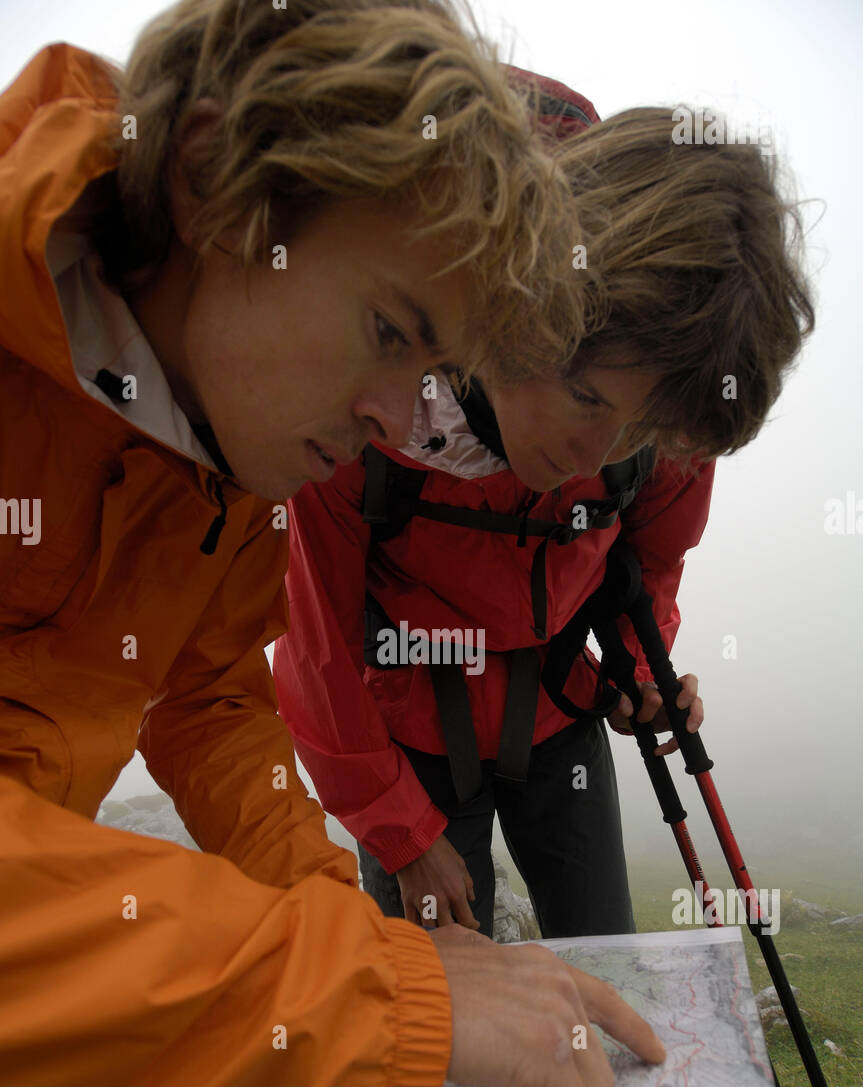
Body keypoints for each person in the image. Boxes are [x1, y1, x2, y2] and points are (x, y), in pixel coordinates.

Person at [0, 0, 665, 1087]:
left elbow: (204, 706)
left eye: (427, 369)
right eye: (387, 330)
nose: (392, 418)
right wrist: (386, 997)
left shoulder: (205, 442)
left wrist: (346, 925)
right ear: (212, 180)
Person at [274, 80, 814, 938]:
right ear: (518, 305)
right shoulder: (361, 411)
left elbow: (652, 563)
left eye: (645, 427)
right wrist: (400, 833)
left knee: (606, 954)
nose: (602, 454)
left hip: (561, 720)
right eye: (587, 398)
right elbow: (317, 650)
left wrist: (639, 668)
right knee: (450, 1010)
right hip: (410, 744)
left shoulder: (670, 404)